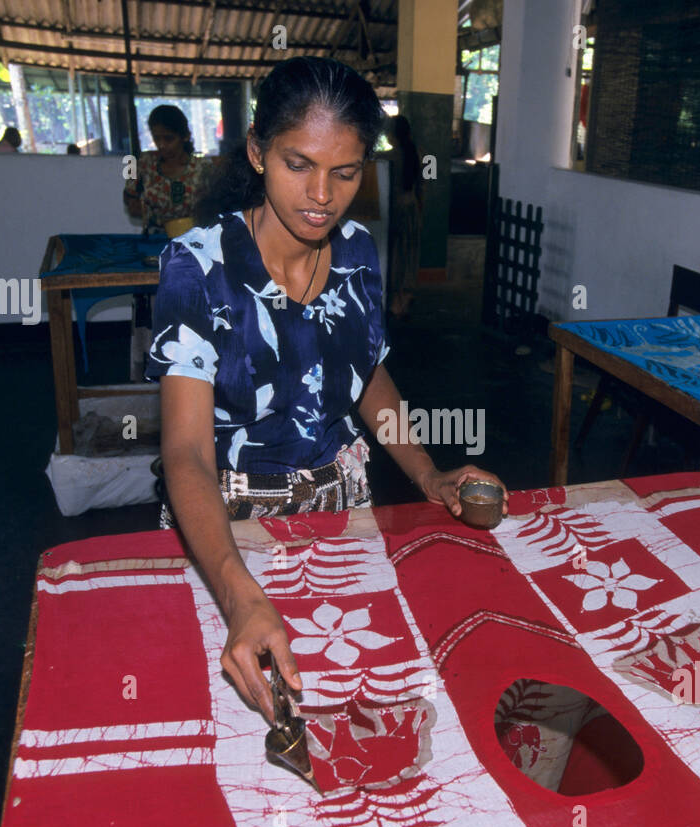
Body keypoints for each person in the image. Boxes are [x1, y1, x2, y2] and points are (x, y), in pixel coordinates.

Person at [146, 57, 508, 723]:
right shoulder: (196, 269)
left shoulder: (357, 253)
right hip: (224, 529)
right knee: (242, 721)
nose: (322, 194)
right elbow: (187, 454)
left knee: (356, 705)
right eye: (298, 164)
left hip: (340, 512)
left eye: (345, 173)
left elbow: (366, 376)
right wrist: (237, 594)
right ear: (257, 152)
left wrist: (428, 474)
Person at [123, 105, 219, 379]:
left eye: (169, 138)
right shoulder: (142, 164)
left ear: (185, 136)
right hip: (154, 245)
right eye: (157, 139)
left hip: (195, 248)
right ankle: (149, 367)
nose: (162, 145)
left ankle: (192, 367)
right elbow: (130, 201)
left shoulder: (203, 169)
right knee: (151, 304)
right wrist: (139, 204)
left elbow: (218, 209)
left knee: (190, 305)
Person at [381, 115, 423, 320]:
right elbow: (426, 184)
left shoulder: (387, 157)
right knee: (409, 254)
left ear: (392, 135)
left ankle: (395, 302)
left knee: (395, 255)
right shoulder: (420, 155)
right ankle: (406, 298)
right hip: (412, 207)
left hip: (395, 209)